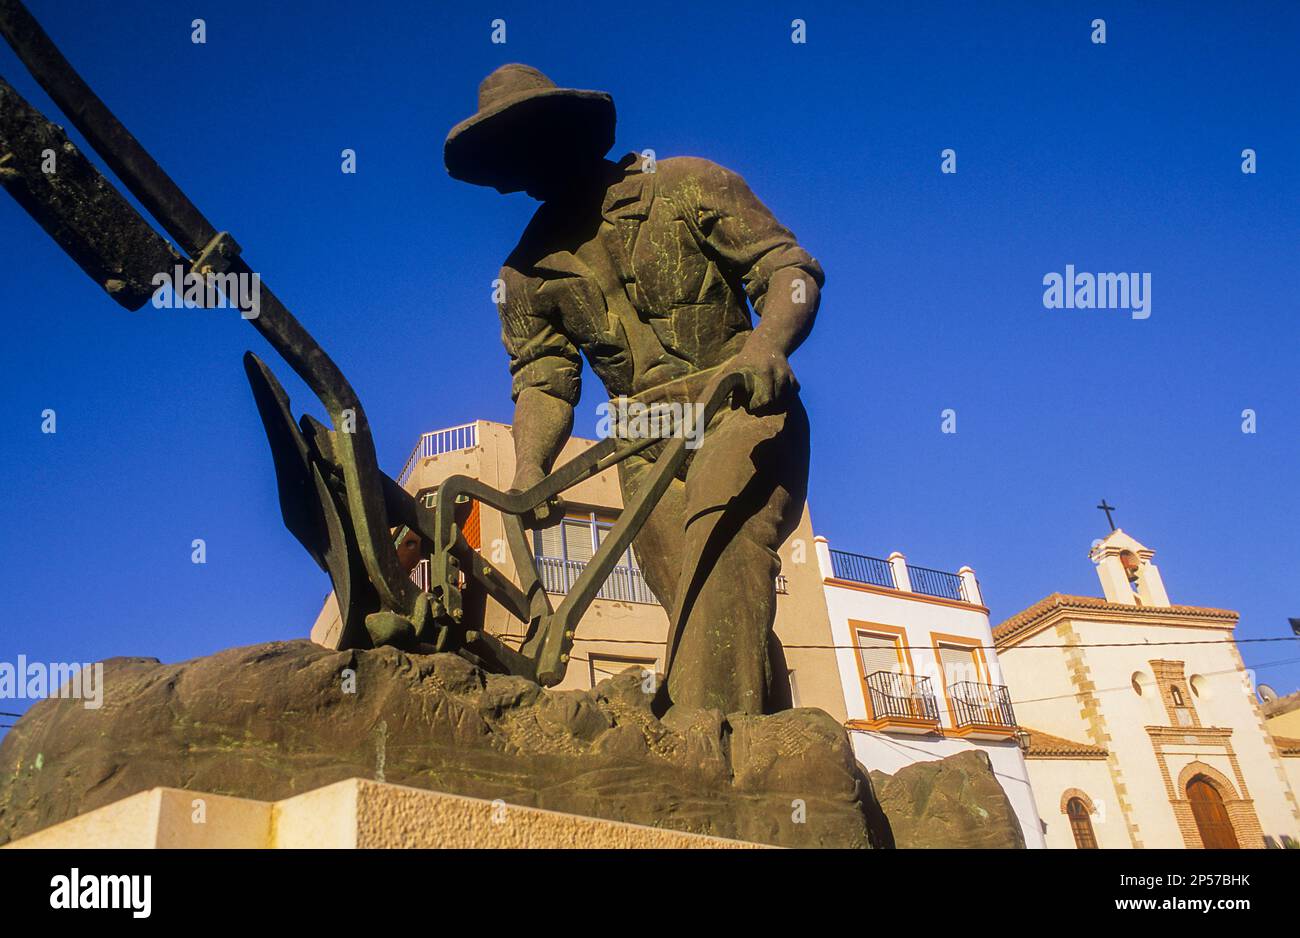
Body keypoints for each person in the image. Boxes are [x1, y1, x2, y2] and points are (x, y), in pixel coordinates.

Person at [444, 64, 823, 715]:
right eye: (509, 154)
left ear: (570, 131)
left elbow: (785, 268)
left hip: (738, 404)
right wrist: (530, 468)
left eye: (530, 139)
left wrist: (769, 342)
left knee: (720, 547)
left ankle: (706, 756)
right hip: (643, 443)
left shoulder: (685, 184)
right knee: (694, 600)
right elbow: (542, 381)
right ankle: (779, 738)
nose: (526, 164)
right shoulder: (524, 275)